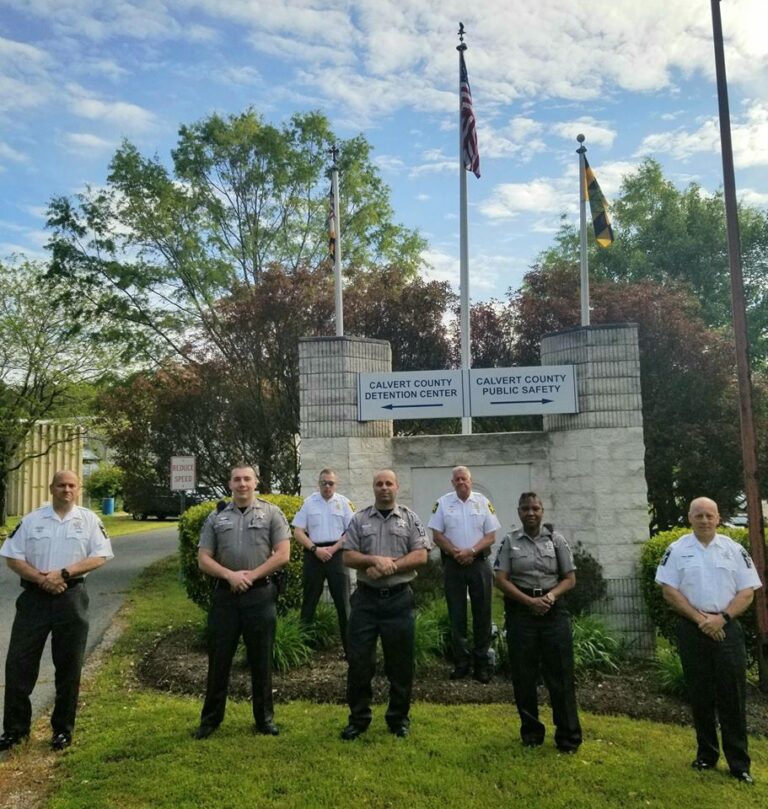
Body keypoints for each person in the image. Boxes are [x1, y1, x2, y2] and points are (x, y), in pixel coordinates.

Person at [0, 470, 114, 752]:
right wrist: (42, 579)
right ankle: (15, 731)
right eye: (61, 485)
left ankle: (62, 731)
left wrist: (63, 573)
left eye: (71, 485)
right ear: (51, 488)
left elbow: (100, 555)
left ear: (78, 489)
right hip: (34, 598)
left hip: (71, 597)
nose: (66, 490)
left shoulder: (88, 520)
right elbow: (12, 556)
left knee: (69, 666)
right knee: (19, 664)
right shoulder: (32, 519)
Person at [655, 496, 762, 784]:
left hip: (727, 628)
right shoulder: (677, 550)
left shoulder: (734, 550)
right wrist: (700, 620)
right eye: (698, 515)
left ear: (718, 518)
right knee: (700, 695)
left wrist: (721, 619)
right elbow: (669, 591)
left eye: (709, 515)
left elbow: (747, 592)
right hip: (693, 629)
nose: (704, 520)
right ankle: (706, 755)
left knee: (733, 697)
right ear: (689, 518)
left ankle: (739, 764)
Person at [193, 464, 291, 739]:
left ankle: (264, 719)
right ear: (230, 484)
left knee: (261, 660)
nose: (242, 484)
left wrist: (251, 576)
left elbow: (283, 554)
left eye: (247, 479)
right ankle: (210, 720)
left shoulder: (272, 513)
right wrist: (229, 576)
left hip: (260, 595)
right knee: (218, 660)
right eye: (237, 479)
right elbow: (204, 558)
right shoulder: (216, 517)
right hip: (225, 596)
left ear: (256, 483)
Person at [340, 469, 430, 740]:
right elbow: (347, 556)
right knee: (359, 663)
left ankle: (398, 718)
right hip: (366, 600)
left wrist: (391, 566)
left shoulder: (410, 518)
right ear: (373, 487)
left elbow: (421, 555)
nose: (384, 488)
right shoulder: (358, 519)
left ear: (397, 487)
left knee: (400, 664)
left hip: (399, 600)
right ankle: (358, 719)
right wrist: (373, 561)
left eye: (389, 483)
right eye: (379, 483)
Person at [493, 492, 582, 753]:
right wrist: (528, 602)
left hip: (553, 612)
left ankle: (568, 737)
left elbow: (569, 578)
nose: (530, 513)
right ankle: (531, 734)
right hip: (522, 613)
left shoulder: (557, 540)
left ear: (542, 511)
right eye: (525, 509)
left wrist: (549, 597)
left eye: (535, 508)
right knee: (524, 675)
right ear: (518, 512)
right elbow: (501, 578)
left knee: (561, 676)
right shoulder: (509, 542)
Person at [428, 465, 500, 682]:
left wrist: (472, 551)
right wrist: (456, 552)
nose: (461, 482)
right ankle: (461, 663)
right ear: (453, 483)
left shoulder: (483, 502)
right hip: (454, 565)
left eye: (464, 478)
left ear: (470, 480)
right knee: (456, 614)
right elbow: (437, 535)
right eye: (457, 479)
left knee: (483, 614)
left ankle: (481, 664)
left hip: (479, 563)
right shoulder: (442, 503)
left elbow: (491, 536)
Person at [292, 469, 354, 655]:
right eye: (324, 483)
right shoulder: (309, 503)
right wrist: (315, 550)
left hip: (337, 555)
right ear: (318, 484)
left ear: (336, 484)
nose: (327, 486)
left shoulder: (344, 503)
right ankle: (302, 650)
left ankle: (350, 651)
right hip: (314, 554)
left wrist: (333, 549)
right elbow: (298, 531)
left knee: (344, 604)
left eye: (330, 483)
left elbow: (351, 531)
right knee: (309, 603)